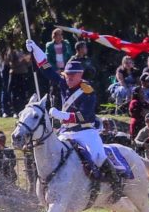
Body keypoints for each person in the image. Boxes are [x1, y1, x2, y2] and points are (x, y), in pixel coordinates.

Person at [27, 42, 118, 188]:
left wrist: (61, 115)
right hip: (66, 132)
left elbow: (84, 117)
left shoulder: (87, 91)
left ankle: (115, 183)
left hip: (85, 132)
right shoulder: (63, 83)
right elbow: (47, 69)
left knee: (99, 156)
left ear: (80, 75)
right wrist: (36, 51)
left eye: (72, 75)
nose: (68, 78)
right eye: (67, 74)